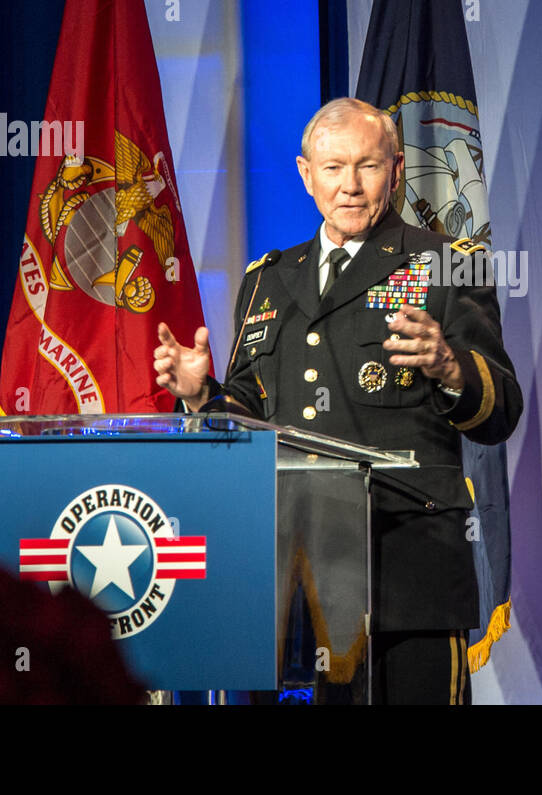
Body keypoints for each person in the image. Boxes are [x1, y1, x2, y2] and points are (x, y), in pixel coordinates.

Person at [153, 97, 521, 704]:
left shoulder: (443, 265)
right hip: (294, 579)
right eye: (333, 168)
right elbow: (253, 414)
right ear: (305, 174)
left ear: (397, 170)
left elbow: (501, 409)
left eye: (368, 166)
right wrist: (202, 396)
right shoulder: (268, 277)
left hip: (407, 570)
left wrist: (449, 365)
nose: (349, 185)